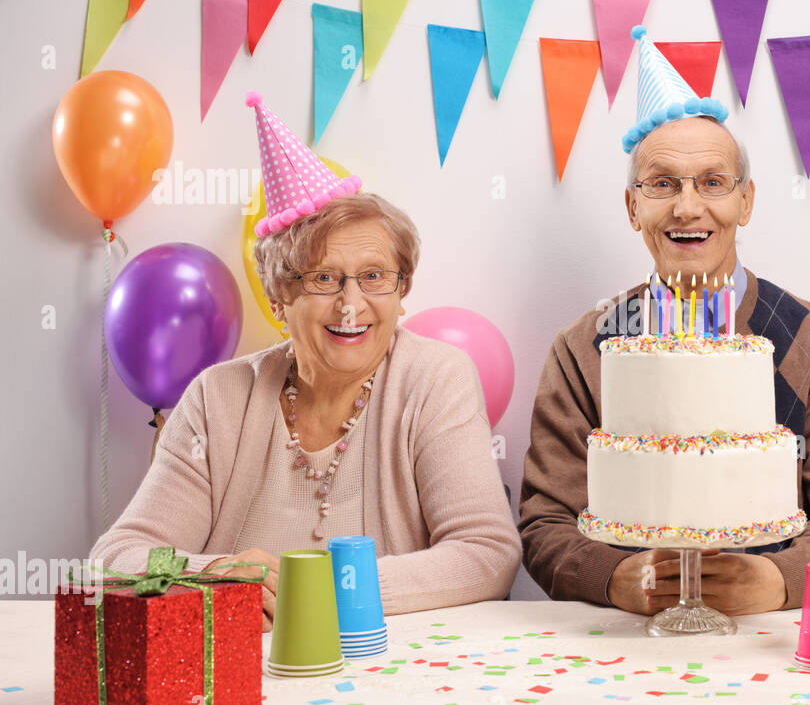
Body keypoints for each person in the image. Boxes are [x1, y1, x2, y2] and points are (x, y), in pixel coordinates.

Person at [90, 93, 520, 627]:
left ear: (401, 291)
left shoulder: (436, 379)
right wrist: (215, 575)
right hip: (241, 682)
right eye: (322, 279)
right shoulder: (216, 397)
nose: (351, 304)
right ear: (277, 299)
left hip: (395, 675)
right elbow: (114, 560)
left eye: (374, 276)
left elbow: (486, 554)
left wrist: (314, 591)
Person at [518, 27, 810, 615]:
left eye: (712, 183)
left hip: (768, 642)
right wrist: (612, 575)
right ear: (633, 207)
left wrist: (780, 578)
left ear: (746, 200)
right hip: (625, 644)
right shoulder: (586, 348)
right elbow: (544, 522)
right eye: (662, 185)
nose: (688, 207)